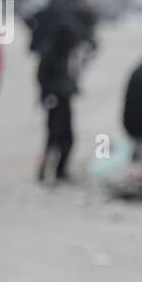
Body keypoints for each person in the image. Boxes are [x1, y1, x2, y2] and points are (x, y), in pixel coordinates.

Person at [36, 13, 91, 183]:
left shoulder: (66, 55)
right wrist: (58, 90)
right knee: (54, 138)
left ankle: (60, 170)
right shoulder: (51, 55)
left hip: (64, 100)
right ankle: (45, 171)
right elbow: (43, 79)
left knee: (66, 138)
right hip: (55, 101)